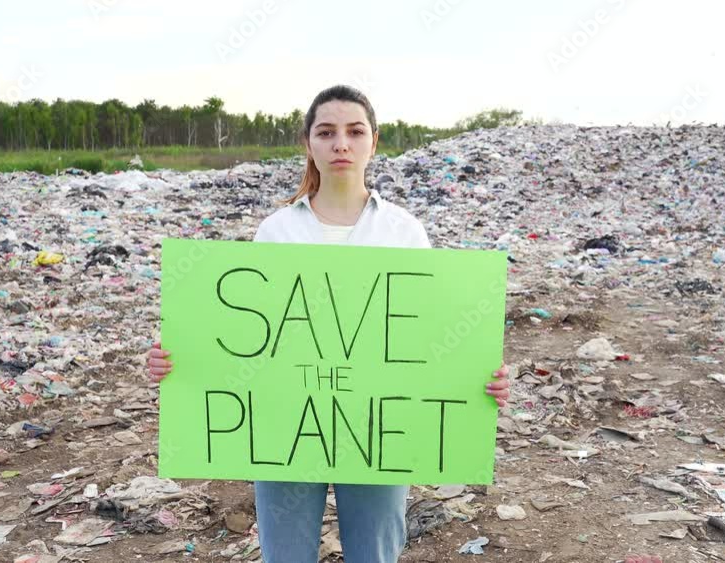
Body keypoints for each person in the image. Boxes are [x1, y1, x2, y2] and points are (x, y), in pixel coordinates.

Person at [147, 84, 510, 563]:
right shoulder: (276, 230)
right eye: (327, 132)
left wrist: (477, 376)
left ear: (372, 142)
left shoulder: (404, 231)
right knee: (286, 556)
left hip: (381, 427)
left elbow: (429, 332)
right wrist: (178, 361)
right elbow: (248, 335)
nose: (341, 143)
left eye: (354, 131)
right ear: (309, 143)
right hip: (283, 425)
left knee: (374, 555)